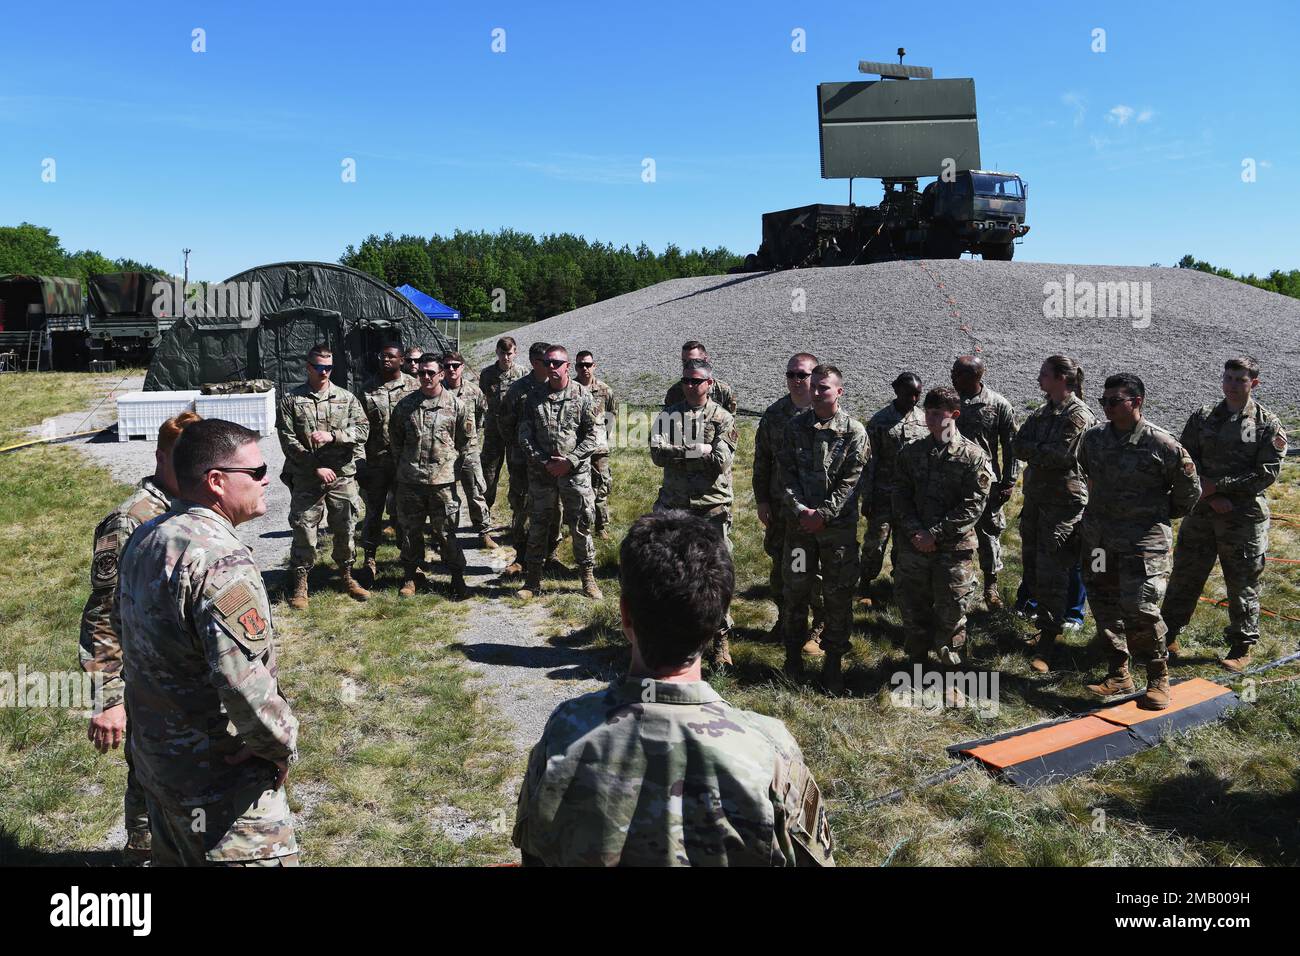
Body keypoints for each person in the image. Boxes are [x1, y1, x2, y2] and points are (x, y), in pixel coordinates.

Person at [512, 511, 834, 867]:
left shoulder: (565, 732)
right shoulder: (770, 752)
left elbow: (534, 854)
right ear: (719, 618)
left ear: (626, 615)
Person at [116, 418, 299, 866]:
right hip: (220, 781)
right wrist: (278, 745)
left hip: (161, 767)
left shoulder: (147, 536)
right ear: (217, 482)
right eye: (256, 471)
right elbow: (243, 684)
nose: (266, 478)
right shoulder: (221, 560)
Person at [80, 410, 201, 862]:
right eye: (183, 458)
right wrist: (108, 698)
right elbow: (102, 614)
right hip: (146, 680)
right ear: (160, 457)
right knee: (151, 778)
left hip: (186, 674)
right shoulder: (131, 520)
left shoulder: (192, 506)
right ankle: (144, 856)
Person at [1078, 373, 1200, 709]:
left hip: (1144, 544)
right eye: (1104, 401)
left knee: (1141, 609)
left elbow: (1189, 493)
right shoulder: (1093, 440)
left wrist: (1154, 515)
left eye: (1114, 401)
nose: (1107, 407)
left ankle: (1158, 677)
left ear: (1137, 402)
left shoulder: (1163, 444)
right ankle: (1118, 672)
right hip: (1101, 542)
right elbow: (1087, 473)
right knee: (1103, 601)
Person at [1161, 357, 1287, 672]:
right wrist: (1208, 493)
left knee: (1242, 581)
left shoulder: (1266, 424)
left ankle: (1241, 645)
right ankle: (1168, 636)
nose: (1231, 385)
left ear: (1253, 384)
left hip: (1242, 517)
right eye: (1228, 378)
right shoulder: (1203, 417)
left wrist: (1217, 487)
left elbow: (1267, 473)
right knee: (1185, 575)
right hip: (1202, 511)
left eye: (1239, 380)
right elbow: (1185, 459)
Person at [778, 365, 869, 692]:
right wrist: (802, 510)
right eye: (813, 386)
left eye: (824, 388)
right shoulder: (794, 428)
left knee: (837, 595)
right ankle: (792, 658)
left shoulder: (854, 431)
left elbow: (851, 481)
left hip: (837, 534)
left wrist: (824, 514)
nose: (816, 392)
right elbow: (785, 475)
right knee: (796, 590)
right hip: (801, 532)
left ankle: (833, 663)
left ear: (839, 392)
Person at [893, 387, 993, 668]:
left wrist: (933, 534)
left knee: (952, 613)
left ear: (955, 415)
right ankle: (916, 665)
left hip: (953, 550)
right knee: (913, 609)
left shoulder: (973, 456)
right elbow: (899, 495)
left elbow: (973, 506)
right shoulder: (911, 452)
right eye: (928, 412)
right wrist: (916, 532)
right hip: (914, 547)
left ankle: (950, 674)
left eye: (938, 414)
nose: (930, 419)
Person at [651, 357, 739, 663]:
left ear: (709, 384)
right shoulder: (669, 414)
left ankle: (720, 639)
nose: (689, 386)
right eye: (686, 381)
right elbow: (657, 454)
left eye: (696, 381)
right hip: (675, 508)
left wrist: (685, 452)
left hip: (711, 507)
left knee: (714, 576)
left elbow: (720, 461)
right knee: (672, 571)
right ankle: (675, 637)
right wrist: (698, 450)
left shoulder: (723, 418)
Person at [1012, 356, 1096, 672]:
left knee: (1058, 565)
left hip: (1063, 503)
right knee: (1035, 562)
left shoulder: (1078, 415)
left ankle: (1054, 632)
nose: (1039, 380)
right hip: (1037, 500)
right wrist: (1037, 451)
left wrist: (1036, 451)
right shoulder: (1045, 411)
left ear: (1062, 378)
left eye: (1044, 374)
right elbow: (1018, 444)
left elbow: (1063, 455)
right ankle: (1044, 620)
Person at [277, 344, 370, 608]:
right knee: (304, 531)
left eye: (329, 368)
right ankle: (300, 583)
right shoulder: (291, 401)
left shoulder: (346, 398)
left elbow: (363, 430)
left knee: (346, 527)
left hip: (341, 475)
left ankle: (347, 576)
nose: (325, 373)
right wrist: (313, 466)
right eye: (319, 367)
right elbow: (288, 441)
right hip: (308, 477)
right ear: (308, 368)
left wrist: (335, 436)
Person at [516, 345, 603, 601]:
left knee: (581, 525)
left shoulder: (583, 396)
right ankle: (532, 582)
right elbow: (524, 435)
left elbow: (593, 436)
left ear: (567, 366)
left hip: (574, 474)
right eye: (548, 363)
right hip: (542, 474)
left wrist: (570, 461)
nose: (552, 367)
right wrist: (544, 461)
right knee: (539, 525)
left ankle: (588, 579)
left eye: (557, 363)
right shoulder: (534, 397)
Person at [754, 352, 824, 654]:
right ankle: (785, 620)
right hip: (781, 508)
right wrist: (762, 500)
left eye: (803, 375)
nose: (796, 380)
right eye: (791, 374)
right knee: (782, 564)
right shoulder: (774, 414)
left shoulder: (826, 413)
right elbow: (762, 461)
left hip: (815, 511)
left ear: (815, 377)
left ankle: (819, 627)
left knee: (815, 568)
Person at [389, 354, 474, 600]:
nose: (425, 377)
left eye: (431, 373)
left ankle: (457, 578)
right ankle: (411, 576)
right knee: (409, 532)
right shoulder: (405, 406)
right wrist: (406, 467)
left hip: (442, 483)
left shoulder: (456, 405)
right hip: (410, 481)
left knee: (446, 532)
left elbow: (465, 442)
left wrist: (449, 468)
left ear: (440, 374)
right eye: (421, 373)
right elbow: (396, 441)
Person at [950, 355, 1019, 609]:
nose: (953, 376)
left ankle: (991, 586)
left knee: (989, 535)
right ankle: (954, 582)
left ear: (975, 377)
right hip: (951, 482)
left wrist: (1009, 481)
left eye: (958, 373)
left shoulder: (998, 405)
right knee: (951, 532)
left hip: (985, 483)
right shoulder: (949, 401)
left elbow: (1011, 447)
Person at [859, 372, 927, 603]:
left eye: (918, 394)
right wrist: (866, 496)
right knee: (875, 544)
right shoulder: (880, 421)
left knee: (905, 545)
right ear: (897, 391)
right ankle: (865, 584)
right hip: (883, 495)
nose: (914, 399)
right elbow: (869, 462)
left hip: (911, 498)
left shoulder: (926, 420)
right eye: (909, 394)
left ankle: (900, 586)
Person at [359, 343, 417, 582]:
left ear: (401, 360)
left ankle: (411, 562)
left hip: (405, 462)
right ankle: (369, 559)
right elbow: (359, 427)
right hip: (377, 462)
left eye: (391, 357)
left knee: (407, 513)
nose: (386, 360)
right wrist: (360, 462)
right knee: (373, 513)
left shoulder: (413, 387)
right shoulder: (366, 389)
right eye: (382, 356)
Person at [499, 342, 557, 578]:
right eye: (547, 362)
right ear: (535, 363)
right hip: (523, 461)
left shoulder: (558, 386)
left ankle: (551, 556)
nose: (552, 366)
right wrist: (519, 448)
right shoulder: (519, 389)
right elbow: (505, 423)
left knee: (554, 508)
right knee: (522, 506)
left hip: (553, 461)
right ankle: (521, 556)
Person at [442, 350, 495, 548]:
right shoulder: (439, 392)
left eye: (455, 365)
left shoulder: (474, 391)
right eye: (447, 366)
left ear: (462, 367)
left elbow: (482, 415)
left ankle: (483, 532)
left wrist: (470, 435)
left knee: (476, 492)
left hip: (469, 450)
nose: (451, 369)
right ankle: (447, 535)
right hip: (445, 452)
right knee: (446, 495)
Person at [478, 337, 527, 534]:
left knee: (518, 477)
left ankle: (518, 520)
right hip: (493, 433)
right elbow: (481, 401)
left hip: (516, 435)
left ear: (515, 353)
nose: (506, 357)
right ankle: (484, 520)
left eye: (509, 353)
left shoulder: (523, 374)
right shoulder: (487, 374)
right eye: (502, 353)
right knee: (488, 477)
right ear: (496, 353)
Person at [573, 349, 616, 539]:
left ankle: (601, 526)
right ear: (575, 367)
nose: (585, 368)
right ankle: (578, 526)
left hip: (598, 449)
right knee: (577, 489)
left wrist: (602, 438)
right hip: (575, 449)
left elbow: (611, 416)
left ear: (594, 366)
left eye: (588, 364)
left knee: (601, 487)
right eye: (581, 365)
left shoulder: (605, 390)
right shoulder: (571, 388)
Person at [663, 341, 738, 413]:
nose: (688, 364)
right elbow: (666, 421)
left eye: (694, 360)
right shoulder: (675, 392)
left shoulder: (723, 390)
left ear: (705, 359)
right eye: (684, 361)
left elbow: (730, 419)